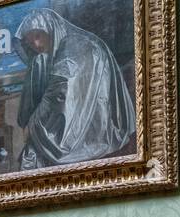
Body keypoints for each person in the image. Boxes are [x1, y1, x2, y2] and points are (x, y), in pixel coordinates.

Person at [13, 7, 136, 170]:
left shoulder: (73, 47)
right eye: (30, 41)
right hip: (93, 126)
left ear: (50, 29)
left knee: (34, 157)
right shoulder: (71, 44)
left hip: (98, 131)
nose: (36, 44)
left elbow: (60, 93)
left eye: (38, 36)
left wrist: (33, 126)